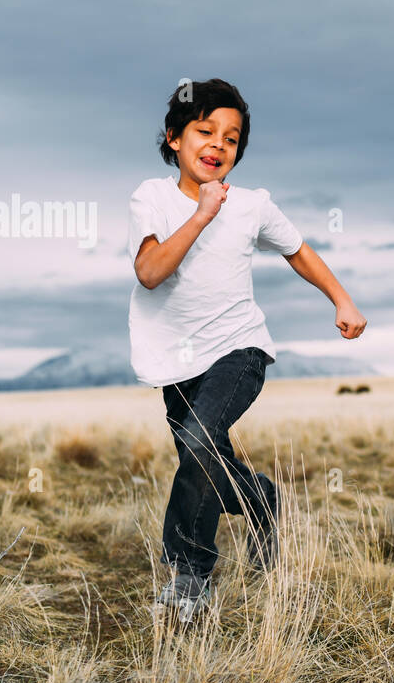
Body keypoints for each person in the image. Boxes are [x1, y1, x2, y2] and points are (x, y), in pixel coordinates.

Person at [127, 79, 366, 621]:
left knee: (197, 440)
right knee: (202, 454)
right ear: (173, 139)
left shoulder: (253, 204)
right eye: (204, 130)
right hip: (176, 361)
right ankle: (260, 498)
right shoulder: (153, 198)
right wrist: (202, 214)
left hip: (240, 349)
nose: (218, 145)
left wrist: (341, 299)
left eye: (231, 139)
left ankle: (191, 575)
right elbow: (149, 273)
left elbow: (298, 251)